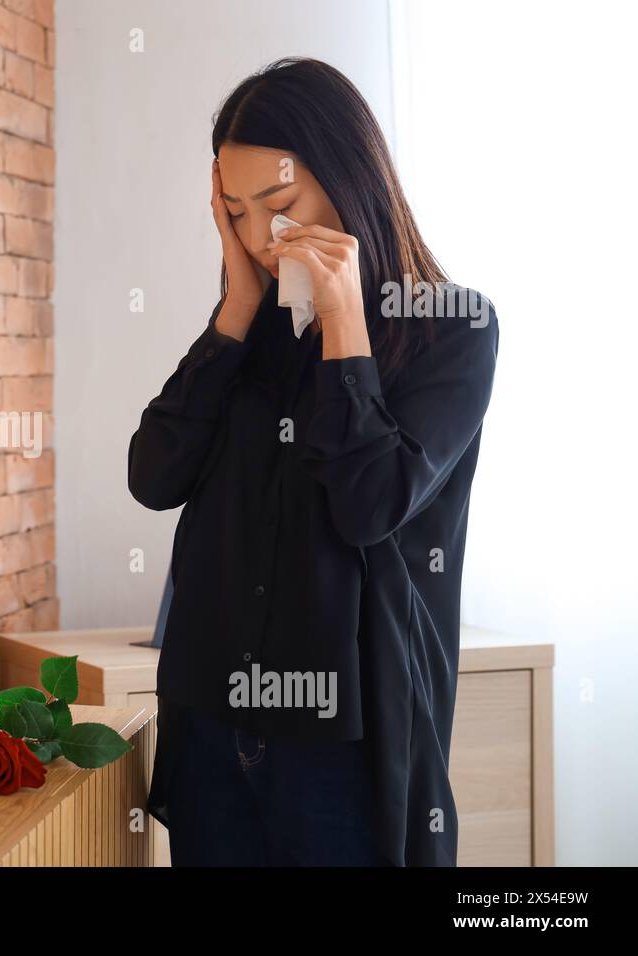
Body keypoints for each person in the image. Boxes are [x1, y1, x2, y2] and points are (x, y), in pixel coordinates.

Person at [128, 57, 498, 866]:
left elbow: (371, 505)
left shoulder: (451, 329)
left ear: (347, 174)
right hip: (210, 725)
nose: (261, 238)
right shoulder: (248, 325)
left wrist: (344, 325)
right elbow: (153, 476)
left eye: (280, 204)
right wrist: (233, 310)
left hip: (343, 749)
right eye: (234, 213)